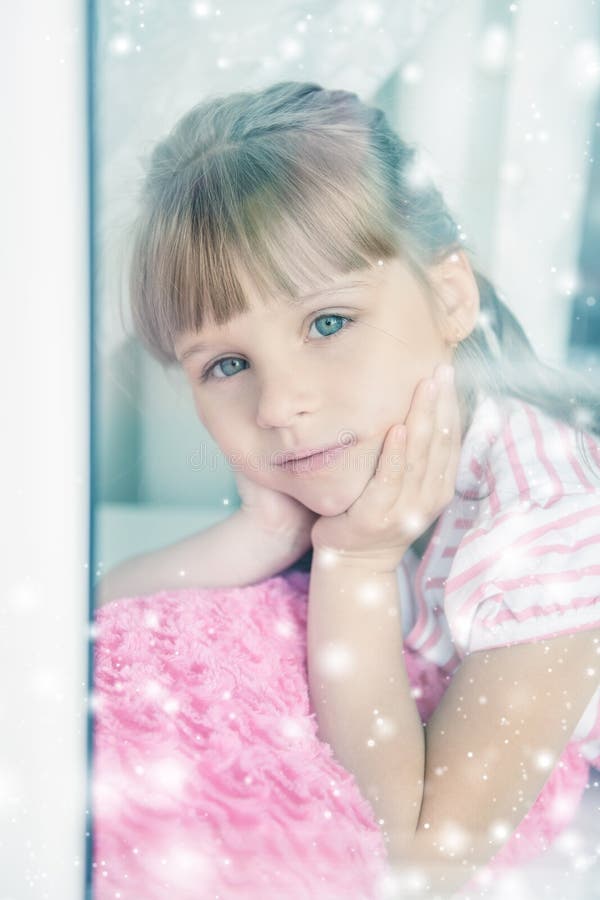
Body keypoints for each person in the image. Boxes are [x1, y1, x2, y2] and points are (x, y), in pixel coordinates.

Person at [103, 81, 600, 896]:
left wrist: (358, 567)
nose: (279, 405)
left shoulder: (550, 530)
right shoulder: (352, 452)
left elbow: (422, 861)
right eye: (227, 365)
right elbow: (98, 624)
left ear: (449, 297)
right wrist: (265, 533)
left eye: (328, 323)